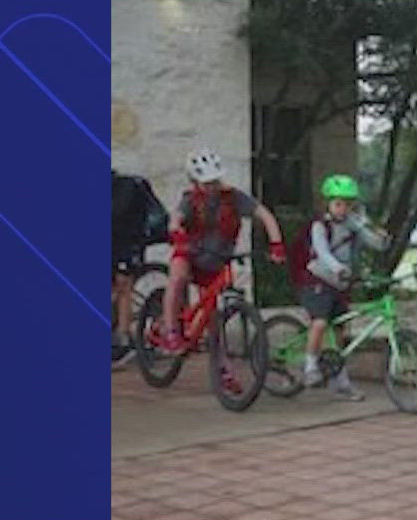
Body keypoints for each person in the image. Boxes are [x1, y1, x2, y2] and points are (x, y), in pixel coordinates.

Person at [153, 151, 286, 394]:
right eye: (207, 183)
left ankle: (224, 372)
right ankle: (171, 329)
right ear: (196, 183)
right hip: (190, 254)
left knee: (214, 322)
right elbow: (176, 218)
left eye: (215, 181)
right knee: (178, 277)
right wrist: (176, 231)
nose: (212, 187)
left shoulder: (234, 198)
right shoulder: (190, 200)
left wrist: (276, 244)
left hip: (217, 260)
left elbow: (265, 215)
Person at [298, 173, 388, 401]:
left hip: (340, 284)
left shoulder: (352, 225)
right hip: (318, 279)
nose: (343, 209)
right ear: (328, 203)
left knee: (341, 333)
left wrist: (379, 235)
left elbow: (376, 244)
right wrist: (338, 268)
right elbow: (322, 253)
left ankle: (342, 381)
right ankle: (310, 367)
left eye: (347, 204)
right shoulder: (320, 226)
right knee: (319, 323)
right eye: (338, 203)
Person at [111, 168, 165, 362]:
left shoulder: (124, 190)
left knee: (123, 285)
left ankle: (124, 338)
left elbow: (123, 223)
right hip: (115, 241)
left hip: (128, 241)